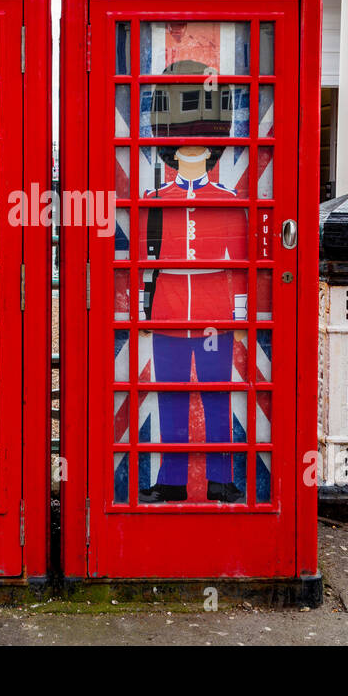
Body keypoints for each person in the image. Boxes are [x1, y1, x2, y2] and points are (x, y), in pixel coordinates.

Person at [138, 60, 247, 503]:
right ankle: (173, 479)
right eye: (182, 145)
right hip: (166, 306)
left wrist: (239, 308)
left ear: (213, 149)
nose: (190, 151)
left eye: (200, 145)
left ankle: (221, 478)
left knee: (217, 396)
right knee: (171, 398)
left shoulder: (226, 199)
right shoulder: (155, 200)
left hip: (213, 307)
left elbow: (240, 261)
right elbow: (146, 263)